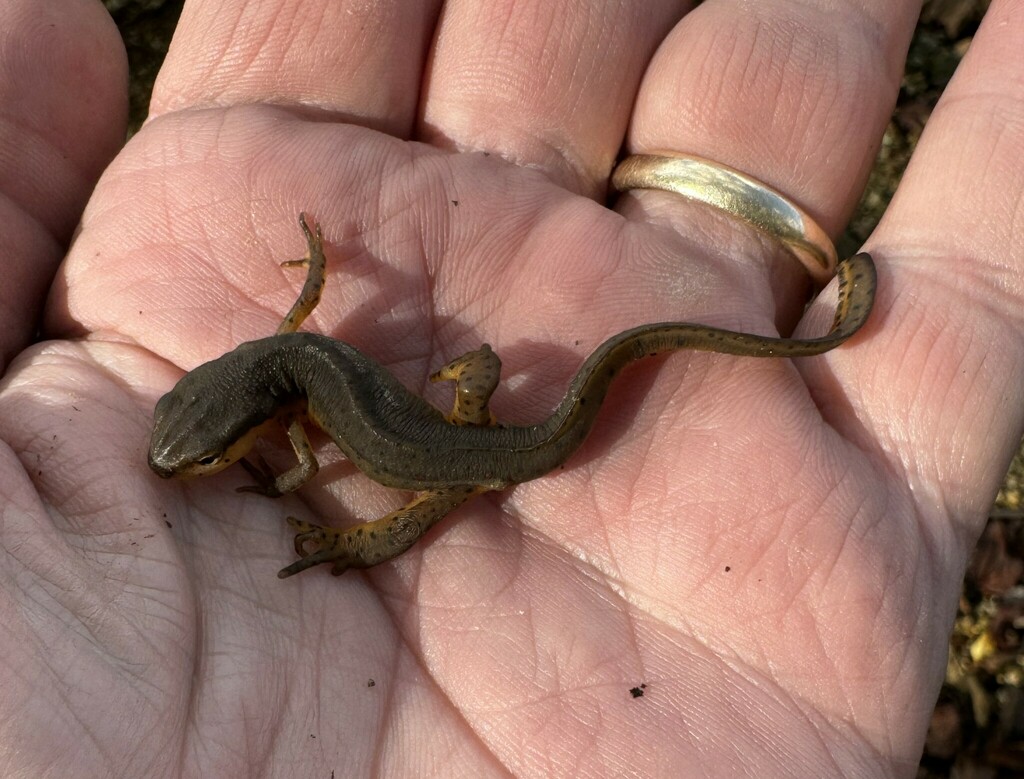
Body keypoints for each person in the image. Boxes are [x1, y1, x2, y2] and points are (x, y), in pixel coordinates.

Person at [0, 1, 1018, 776]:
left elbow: (311, 444)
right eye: (199, 446)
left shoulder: (298, 404)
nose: (196, 461)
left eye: (212, 447)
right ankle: (469, 404)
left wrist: (297, 496)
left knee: (401, 513)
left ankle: (360, 541)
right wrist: (338, 296)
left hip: (445, 465)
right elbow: (309, 315)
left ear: (252, 408)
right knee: (474, 407)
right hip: (450, 428)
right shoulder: (289, 359)